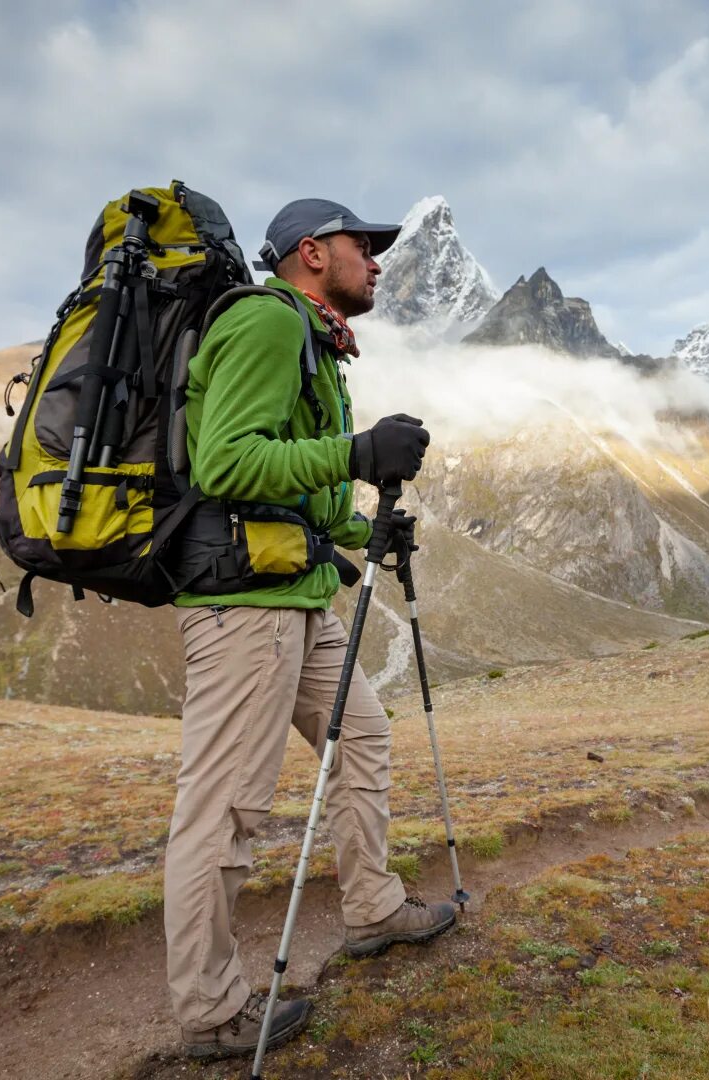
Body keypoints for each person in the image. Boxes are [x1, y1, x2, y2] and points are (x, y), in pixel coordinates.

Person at [164, 198, 455, 1061]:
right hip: (245, 605)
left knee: (362, 735)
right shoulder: (264, 322)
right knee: (225, 810)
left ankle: (371, 908)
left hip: (296, 594)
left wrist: (367, 530)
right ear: (310, 252)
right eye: (362, 245)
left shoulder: (318, 343)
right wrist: (357, 454)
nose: (376, 259)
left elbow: (296, 490)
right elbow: (224, 462)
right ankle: (211, 1009)